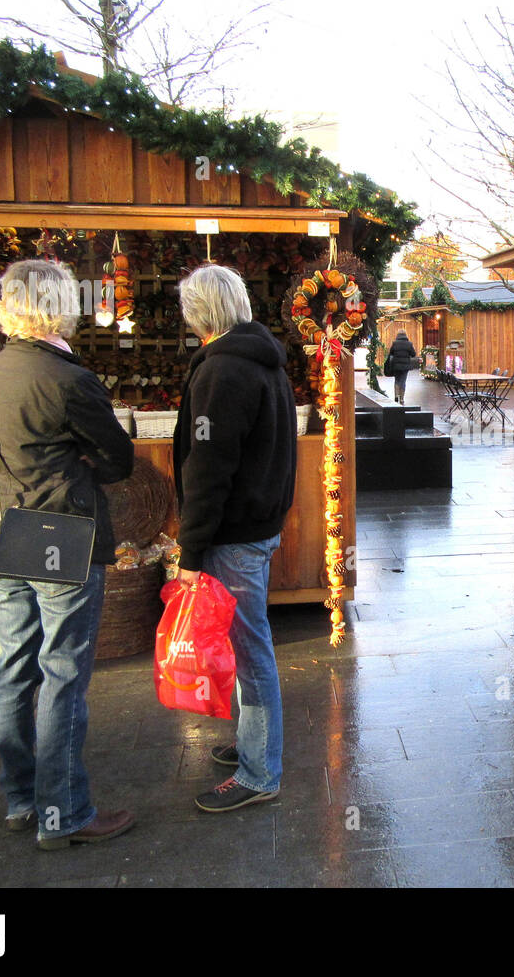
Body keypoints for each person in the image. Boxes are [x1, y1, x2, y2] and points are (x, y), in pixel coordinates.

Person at [0, 259, 136, 850]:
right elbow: (118, 458)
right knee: (62, 675)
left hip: (6, 530)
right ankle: (62, 812)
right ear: (59, 305)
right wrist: (80, 465)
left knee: (14, 668)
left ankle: (22, 800)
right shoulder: (70, 379)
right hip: (62, 533)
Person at [173, 264, 296, 813]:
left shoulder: (222, 371)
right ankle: (254, 744)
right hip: (256, 528)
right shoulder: (262, 362)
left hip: (234, 535)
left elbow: (208, 468)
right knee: (248, 645)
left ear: (197, 314)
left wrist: (190, 548)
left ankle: (259, 772)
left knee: (250, 651)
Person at [386, 329, 419, 404]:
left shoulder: (394, 343)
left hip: (396, 366)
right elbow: (413, 354)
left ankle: (396, 396)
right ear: (405, 335)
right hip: (405, 366)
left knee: (397, 380)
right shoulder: (409, 344)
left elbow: (391, 353)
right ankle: (402, 398)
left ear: (398, 335)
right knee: (403, 381)